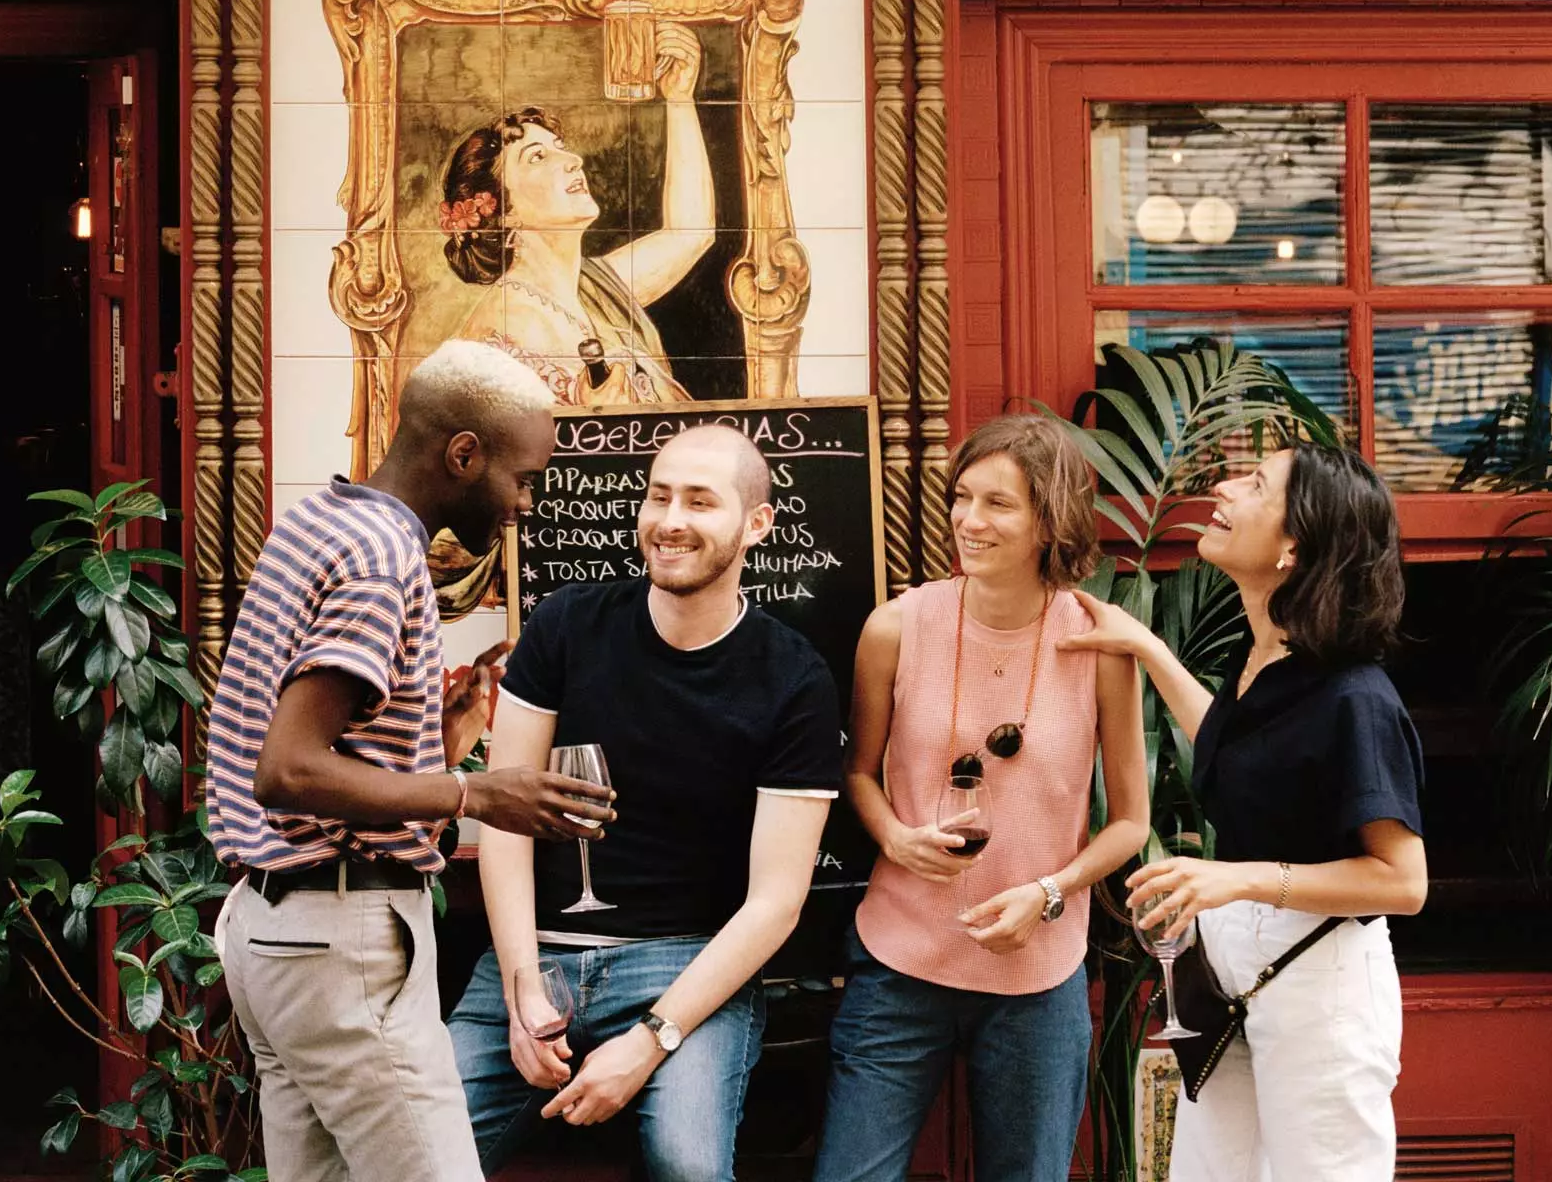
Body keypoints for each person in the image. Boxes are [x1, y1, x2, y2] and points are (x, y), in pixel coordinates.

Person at [207, 339, 618, 1182]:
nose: (526, 503)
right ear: (463, 454)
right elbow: (287, 769)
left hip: (272, 934)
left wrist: (444, 723)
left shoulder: (323, 519)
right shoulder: (383, 559)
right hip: (338, 941)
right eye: (521, 477)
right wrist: (474, 792)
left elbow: (312, 742)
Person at [447, 424, 841, 1182]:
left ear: (756, 525)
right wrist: (524, 986)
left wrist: (651, 1038)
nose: (670, 520)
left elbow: (776, 903)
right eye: (660, 495)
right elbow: (504, 819)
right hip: (538, 954)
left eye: (701, 501)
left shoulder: (793, 680)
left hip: (685, 964)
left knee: (687, 1166)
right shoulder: (566, 623)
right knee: (415, 1156)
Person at [1058, 443, 1428, 1181]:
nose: (1224, 487)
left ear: (1295, 544)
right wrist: (1150, 650)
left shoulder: (1356, 698)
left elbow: (1402, 882)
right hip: (1230, 963)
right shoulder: (1268, 658)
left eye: (1256, 483)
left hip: (1320, 978)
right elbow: (1235, 752)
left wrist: (1236, 880)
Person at [813, 413, 1150, 1182]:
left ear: (1048, 520)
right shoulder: (897, 626)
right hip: (899, 963)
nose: (969, 519)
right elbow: (857, 772)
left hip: (1038, 976)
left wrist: (1051, 891)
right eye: (963, 497)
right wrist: (894, 837)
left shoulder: (1099, 643)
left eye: (998, 504)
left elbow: (1132, 822)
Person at [438, 22, 713, 406]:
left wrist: (680, 98)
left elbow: (691, 232)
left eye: (559, 146)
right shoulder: (496, 335)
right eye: (537, 157)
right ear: (504, 213)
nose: (572, 160)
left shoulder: (591, 286)